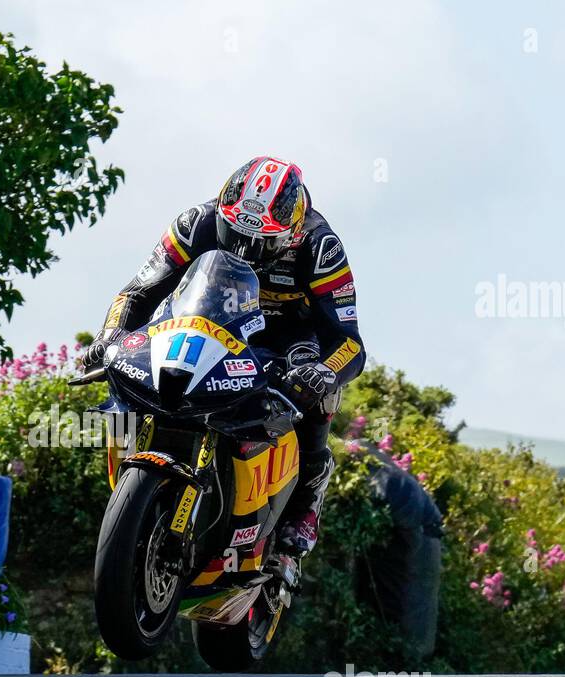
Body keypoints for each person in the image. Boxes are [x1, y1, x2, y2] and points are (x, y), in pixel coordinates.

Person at [85, 156, 366, 554]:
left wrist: (324, 372)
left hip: (287, 338)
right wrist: (110, 333)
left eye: (261, 240)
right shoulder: (193, 223)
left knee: (314, 382)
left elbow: (349, 341)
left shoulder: (321, 248)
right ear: (221, 210)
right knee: (128, 360)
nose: (243, 247)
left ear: (292, 233)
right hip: (204, 320)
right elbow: (137, 292)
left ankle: (307, 498)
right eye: (231, 232)